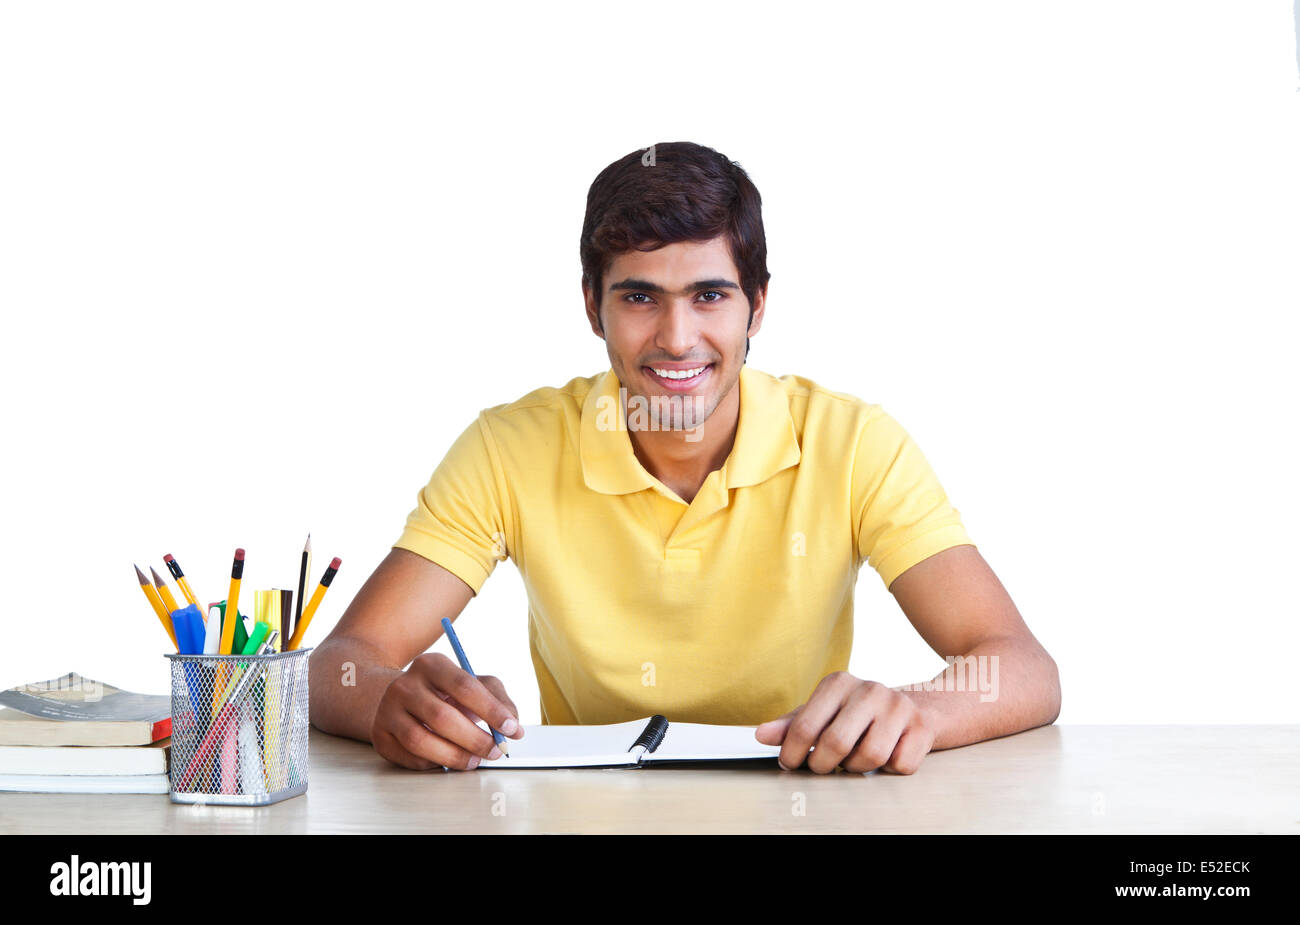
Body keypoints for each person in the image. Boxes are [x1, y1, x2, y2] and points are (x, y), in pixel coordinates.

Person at [309, 141, 1060, 775]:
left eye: (709, 295)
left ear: (757, 305)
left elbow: (1023, 667)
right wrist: (388, 699)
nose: (675, 337)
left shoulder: (854, 443)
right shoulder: (509, 449)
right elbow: (339, 662)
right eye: (639, 298)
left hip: (800, 807)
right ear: (590, 304)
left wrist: (916, 709)